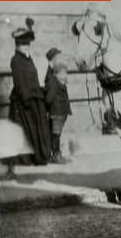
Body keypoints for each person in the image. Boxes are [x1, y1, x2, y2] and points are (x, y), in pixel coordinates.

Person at [7, 19, 53, 165]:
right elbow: (19, 82)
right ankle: (27, 158)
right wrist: (27, 99)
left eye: (27, 44)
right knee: (27, 130)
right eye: (23, 44)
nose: (26, 47)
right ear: (17, 45)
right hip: (24, 102)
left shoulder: (28, 59)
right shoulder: (15, 60)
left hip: (34, 98)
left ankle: (39, 156)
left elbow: (33, 78)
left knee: (38, 130)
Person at [44, 47, 73, 164]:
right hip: (57, 111)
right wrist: (48, 107)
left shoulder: (56, 72)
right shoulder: (53, 77)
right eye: (57, 58)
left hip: (59, 111)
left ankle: (55, 155)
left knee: (56, 134)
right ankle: (56, 156)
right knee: (56, 134)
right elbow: (50, 97)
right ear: (52, 61)